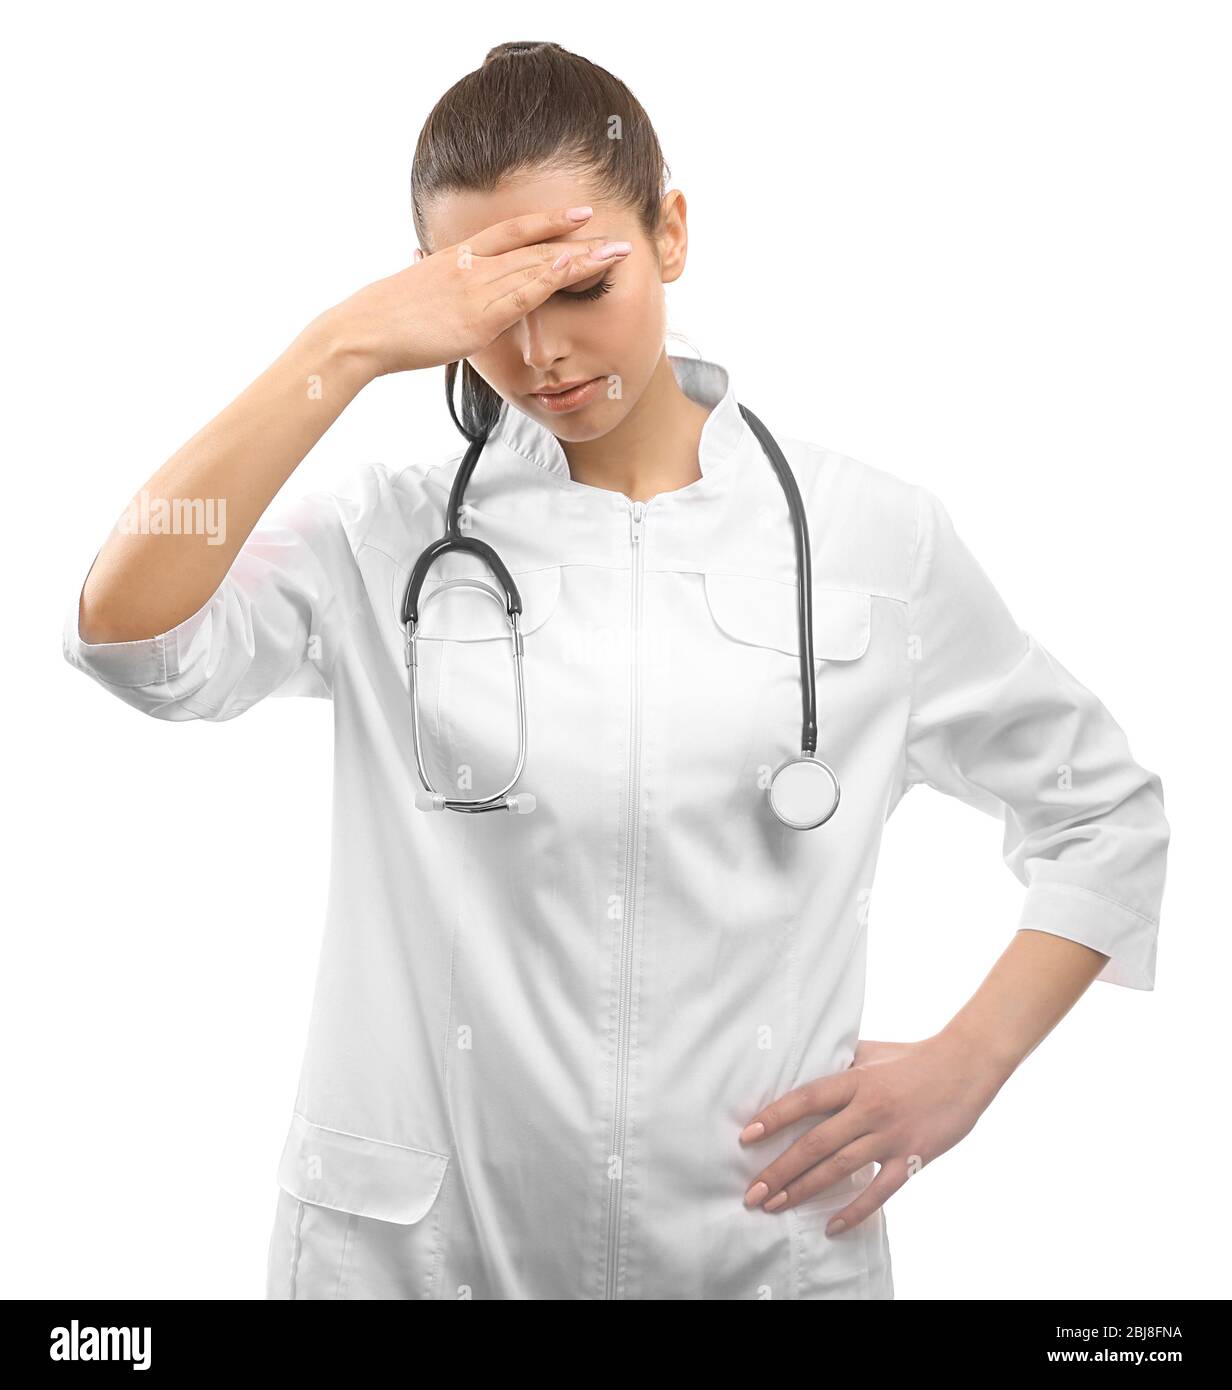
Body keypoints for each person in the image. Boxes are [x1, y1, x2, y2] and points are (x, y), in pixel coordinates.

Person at [62, 40, 1170, 1301]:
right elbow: (127, 631)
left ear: (673, 233)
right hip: (420, 1257)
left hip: (750, 1246)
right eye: (487, 309)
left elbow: (1100, 812)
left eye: (581, 283)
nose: (540, 352)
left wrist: (971, 1060)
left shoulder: (874, 540)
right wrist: (338, 351)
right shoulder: (384, 536)